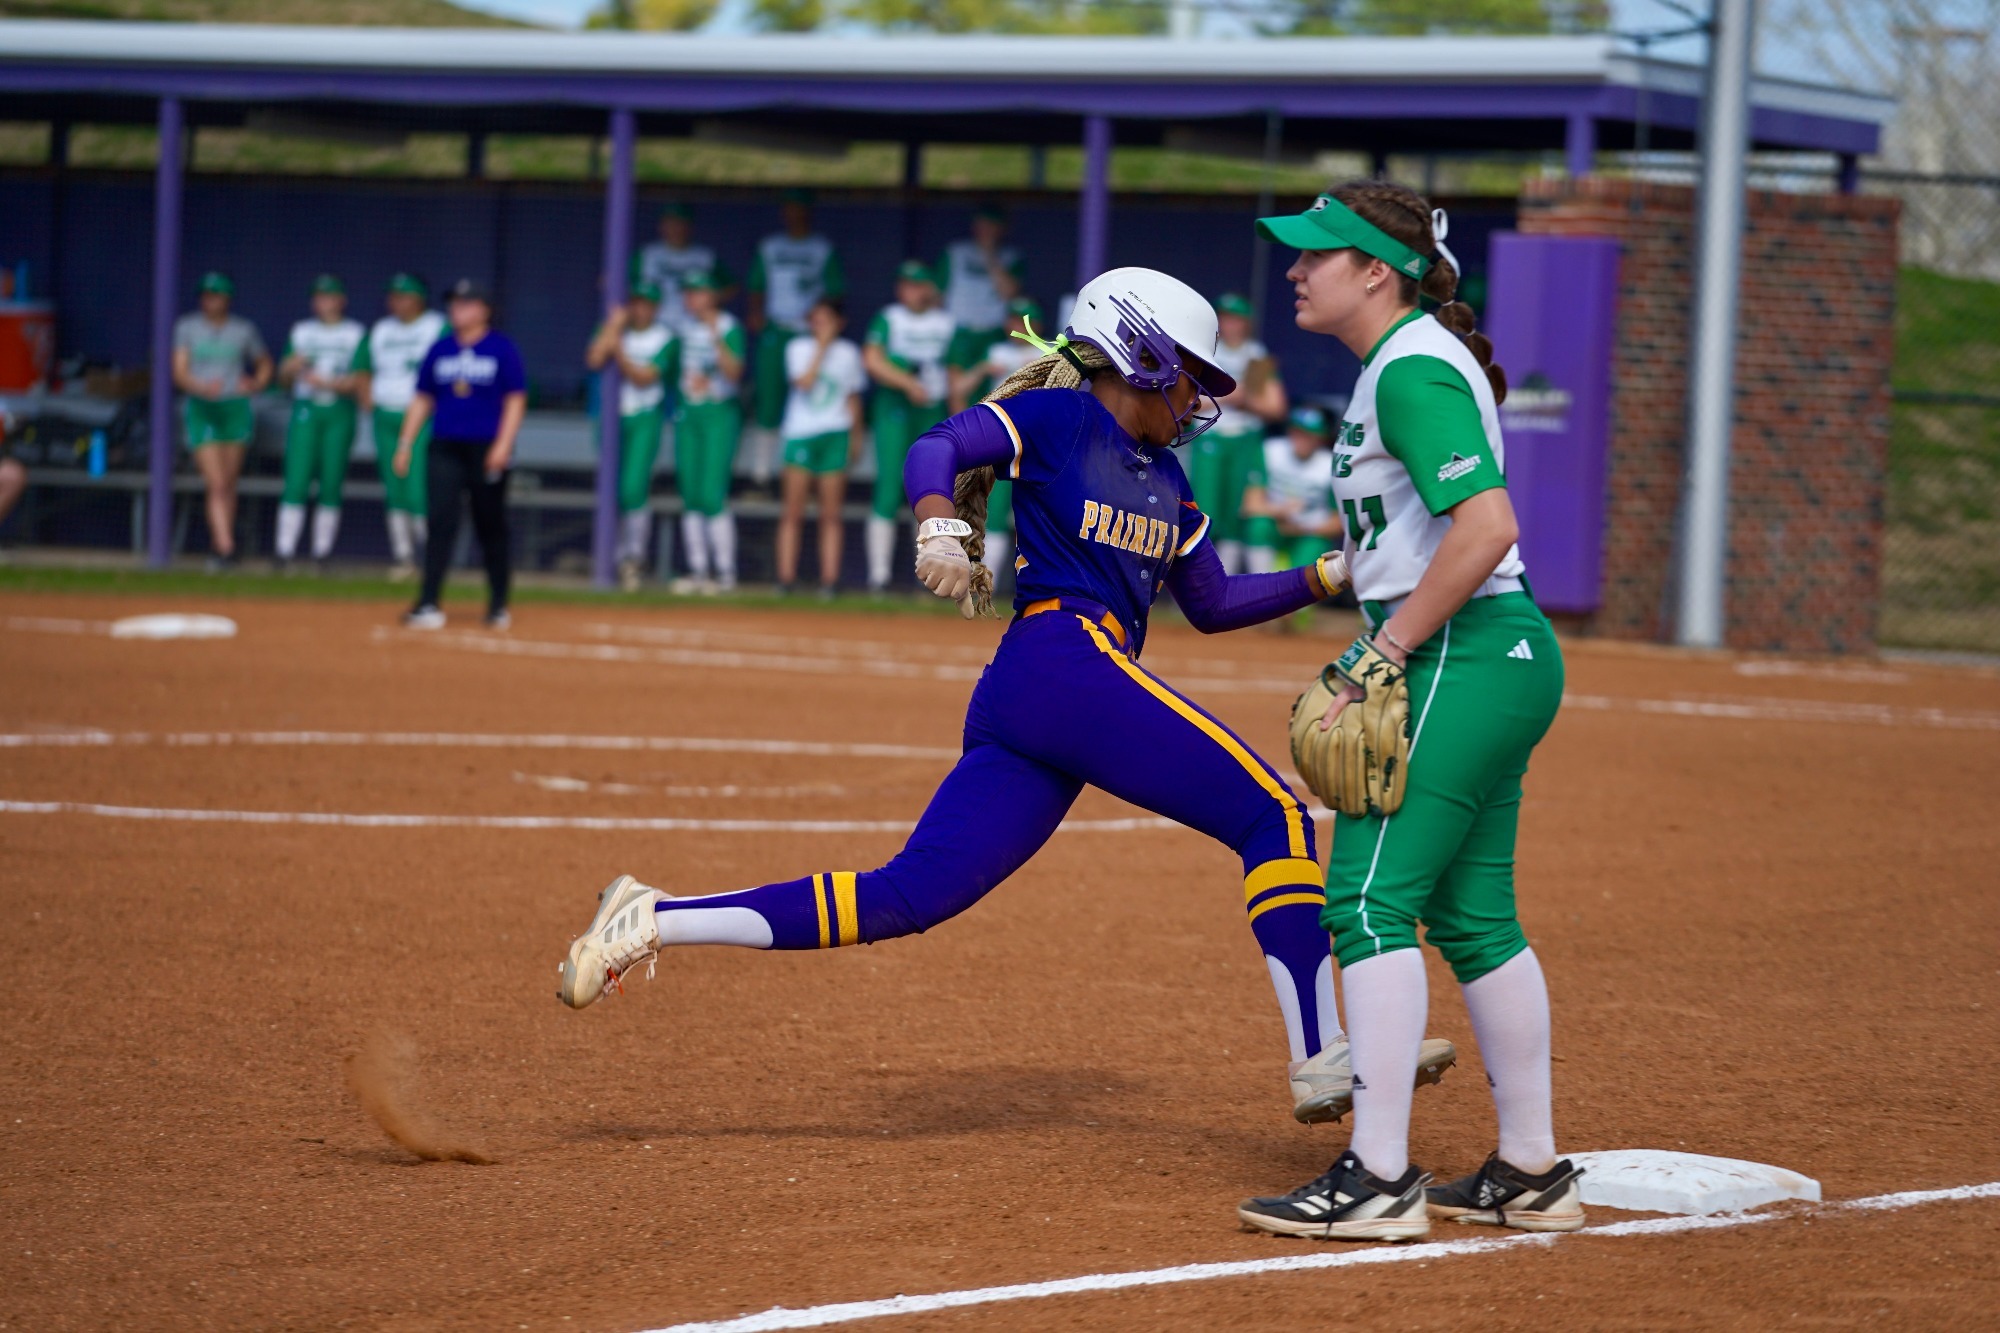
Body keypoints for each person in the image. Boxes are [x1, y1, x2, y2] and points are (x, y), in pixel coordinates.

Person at [554, 267, 1457, 1135]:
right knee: (1273, 816)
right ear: (1139, 354)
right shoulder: (1062, 418)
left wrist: (1327, 573)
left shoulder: (1168, 478)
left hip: (1048, 693)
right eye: (1190, 375)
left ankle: (654, 916)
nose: (1197, 400)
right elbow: (937, 445)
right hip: (1063, 659)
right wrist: (938, 524)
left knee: (908, 894)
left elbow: (1213, 603)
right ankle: (1322, 1050)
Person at [1236, 181, 1577, 1242]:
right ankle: (1529, 1168)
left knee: (1366, 903)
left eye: (1316, 254)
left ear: (1375, 272)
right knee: (1474, 918)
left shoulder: (1411, 367)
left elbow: (1485, 525)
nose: (1296, 269)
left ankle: (1377, 1176)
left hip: (1459, 649)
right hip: (1492, 649)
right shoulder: (1402, 359)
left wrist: (1382, 649)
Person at [396, 279, 527, 631]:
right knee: (439, 520)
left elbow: (515, 399)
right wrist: (405, 443)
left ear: (484, 310)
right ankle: (428, 602)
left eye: (466, 303)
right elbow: (423, 398)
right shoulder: (440, 349)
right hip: (445, 446)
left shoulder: (501, 348)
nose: (457, 309)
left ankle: (498, 604)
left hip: (487, 447)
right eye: (454, 303)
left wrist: (504, 444)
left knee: (490, 524)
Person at [860, 259, 956, 593]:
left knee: (933, 492)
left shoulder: (945, 322)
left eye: (917, 285)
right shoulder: (889, 318)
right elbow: (872, 359)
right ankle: (879, 576)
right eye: (905, 284)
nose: (909, 291)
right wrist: (906, 382)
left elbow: (956, 367)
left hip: (932, 409)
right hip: (895, 406)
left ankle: (933, 576)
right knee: (888, 487)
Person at [171, 271, 271, 572]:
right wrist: (200, 387)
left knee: (228, 482)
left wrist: (255, 383)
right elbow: (179, 371)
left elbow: (264, 363)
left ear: (227, 299)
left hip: (235, 408)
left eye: (216, 296)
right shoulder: (187, 327)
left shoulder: (243, 329)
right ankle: (225, 546)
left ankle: (222, 546)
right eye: (206, 295)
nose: (210, 301)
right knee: (215, 482)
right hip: (202, 407)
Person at [745, 190, 845, 489]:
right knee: (769, 398)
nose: (794, 214)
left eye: (800, 208)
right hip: (776, 329)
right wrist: (756, 313)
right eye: (789, 208)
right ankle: (762, 475)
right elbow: (756, 285)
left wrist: (822, 320)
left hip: (808, 332)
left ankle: (804, 473)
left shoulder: (821, 247)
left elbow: (836, 292)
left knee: (810, 399)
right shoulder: (771, 246)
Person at [586, 281, 679, 593]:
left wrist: (620, 352)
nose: (640, 310)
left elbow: (644, 378)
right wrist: (613, 327)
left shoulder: (665, 337)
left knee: (633, 489)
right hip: (613, 417)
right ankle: (608, 557)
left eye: (646, 304)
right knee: (610, 488)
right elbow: (594, 359)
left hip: (645, 416)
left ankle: (632, 558)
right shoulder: (613, 328)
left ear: (656, 307)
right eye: (635, 303)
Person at [353, 273, 447, 582]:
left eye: (403, 296)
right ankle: (403, 556)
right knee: (394, 487)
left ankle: (430, 556)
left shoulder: (436, 326)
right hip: (386, 415)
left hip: (421, 415)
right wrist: (367, 397)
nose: (396, 302)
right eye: (393, 296)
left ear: (419, 299)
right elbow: (362, 367)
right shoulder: (381, 329)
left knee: (419, 486)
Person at [946, 294, 1043, 586]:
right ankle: (982, 581)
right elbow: (959, 389)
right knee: (991, 509)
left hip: (1034, 441)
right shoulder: (997, 352)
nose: (1017, 327)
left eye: (1023, 321)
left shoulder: (1047, 353)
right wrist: (982, 369)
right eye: (1013, 320)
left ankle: (1000, 580)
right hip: (1000, 438)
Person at [1186, 293, 1286, 574]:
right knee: (1204, 510)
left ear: (1246, 323)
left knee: (1239, 513)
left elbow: (1275, 407)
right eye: (1226, 318)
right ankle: (1198, 578)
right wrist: (1233, 395)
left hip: (1246, 439)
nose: (1230, 324)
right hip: (1209, 435)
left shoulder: (1256, 354)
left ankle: (1225, 580)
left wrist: (1244, 399)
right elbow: (1189, 402)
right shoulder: (1206, 350)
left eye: (1236, 319)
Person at [772, 297, 864, 599]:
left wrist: (856, 437)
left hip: (835, 434)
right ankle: (785, 579)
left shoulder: (849, 353)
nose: (820, 325)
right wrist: (822, 347)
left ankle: (830, 581)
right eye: (816, 319)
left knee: (831, 513)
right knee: (793, 510)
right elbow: (804, 382)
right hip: (801, 433)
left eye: (826, 320)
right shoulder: (797, 348)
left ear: (839, 323)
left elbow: (852, 396)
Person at [274, 274, 365, 572]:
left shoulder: (354, 333)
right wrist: (290, 367)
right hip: (306, 409)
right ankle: (284, 551)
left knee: (331, 482)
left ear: (341, 300)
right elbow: (283, 380)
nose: (323, 302)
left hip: (339, 410)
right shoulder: (302, 331)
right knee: (296, 480)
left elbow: (360, 380)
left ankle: (322, 553)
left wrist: (328, 383)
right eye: (318, 297)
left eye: (329, 296)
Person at [671, 269, 746, 593]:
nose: (691, 298)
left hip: (719, 413)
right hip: (689, 413)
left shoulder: (729, 326)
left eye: (698, 292)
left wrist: (715, 335)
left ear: (713, 296)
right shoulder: (682, 327)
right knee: (691, 494)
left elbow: (734, 371)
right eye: (688, 292)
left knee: (713, 494)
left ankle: (725, 572)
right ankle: (698, 570)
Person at [1241, 404, 1341, 578]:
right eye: (1297, 432)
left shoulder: (1331, 466)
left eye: (1308, 435)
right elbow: (1249, 506)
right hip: (1275, 524)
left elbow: (1339, 523)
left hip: (1310, 532)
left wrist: (1302, 528)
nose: (1301, 439)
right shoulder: (1271, 451)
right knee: (1258, 526)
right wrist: (1280, 511)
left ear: (1321, 438)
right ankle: (1260, 582)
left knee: (1314, 548)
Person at [938, 202, 1024, 388]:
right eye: (983, 224)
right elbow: (937, 294)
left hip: (994, 332)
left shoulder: (1011, 257)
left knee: (993, 389)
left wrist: (989, 255)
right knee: (957, 389)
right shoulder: (955, 252)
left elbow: (1009, 293)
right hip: (959, 331)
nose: (986, 230)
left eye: (992, 225)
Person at [633, 202, 732, 333]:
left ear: (689, 226)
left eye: (679, 223)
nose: (675, 228)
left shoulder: (704, 257)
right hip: (657, 326)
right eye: (670, 222)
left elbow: (731, 286)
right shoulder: (647, 255)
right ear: (661, 225)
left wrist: (707, 304)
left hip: (693, 326)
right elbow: (626, 288)